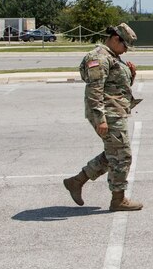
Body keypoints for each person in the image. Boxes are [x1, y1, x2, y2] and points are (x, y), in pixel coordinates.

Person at [62, 23, 144, 211]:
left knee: (114, 153)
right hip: (108, 114)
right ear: (115, 39)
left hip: (115, 112)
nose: (125, 50)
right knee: (122, 155)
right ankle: (118, 200)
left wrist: (131, 74)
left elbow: (115, 86)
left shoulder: (112, 56)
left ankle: (77, 181)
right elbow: (95, 90)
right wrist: (101, 119)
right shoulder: (99, 58)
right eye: (125, 45)